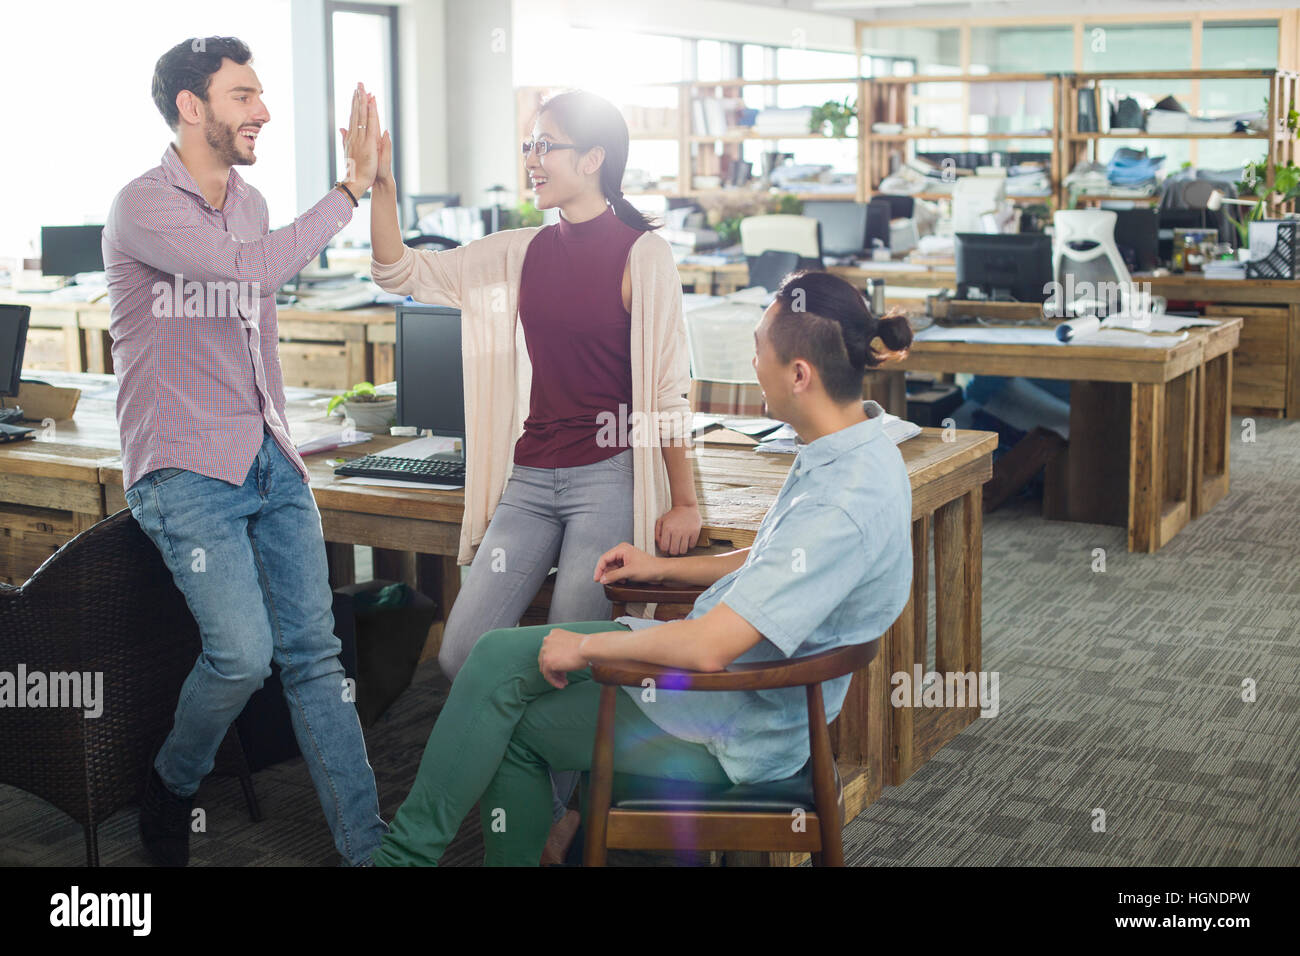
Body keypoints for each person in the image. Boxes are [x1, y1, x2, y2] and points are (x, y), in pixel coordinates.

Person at [369, 270, 916, 866]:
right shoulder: (854, 446)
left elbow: (710, 648)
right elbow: (774, 559)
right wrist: (662, 568)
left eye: (759, 348)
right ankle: (417, 855)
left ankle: (404, 858)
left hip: (730, 722)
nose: (752, 361)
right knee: (496, 656)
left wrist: (585, 652)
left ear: (799, 374)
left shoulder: (842, 501)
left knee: (507, 723)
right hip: (726, 690)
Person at [366, 90, 700, 858]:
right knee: (463, 652)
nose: (532, 159)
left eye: (547, 145)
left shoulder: (641, 253)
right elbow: (400, 271)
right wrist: (380, 183)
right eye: (529, 145)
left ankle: (544, 823)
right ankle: (546, 813)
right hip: (530, 479)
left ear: (593, 160)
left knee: (565, 659)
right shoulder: (522, 250)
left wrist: (682, 499)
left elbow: (662, 392)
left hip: (607, 479)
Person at [102, 36, 387, 866]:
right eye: (243, 96)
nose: (262, 111)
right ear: (193, 108)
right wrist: (349, 190)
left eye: (261, 94)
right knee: (242, 656)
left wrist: (283, 440)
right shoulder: (143, 205)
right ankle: (171, 781)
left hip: (267, 459)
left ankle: (367, 851)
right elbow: (246, 276)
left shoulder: (252, 202)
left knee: (316, 657)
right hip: (185, 469)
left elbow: (254, 330)